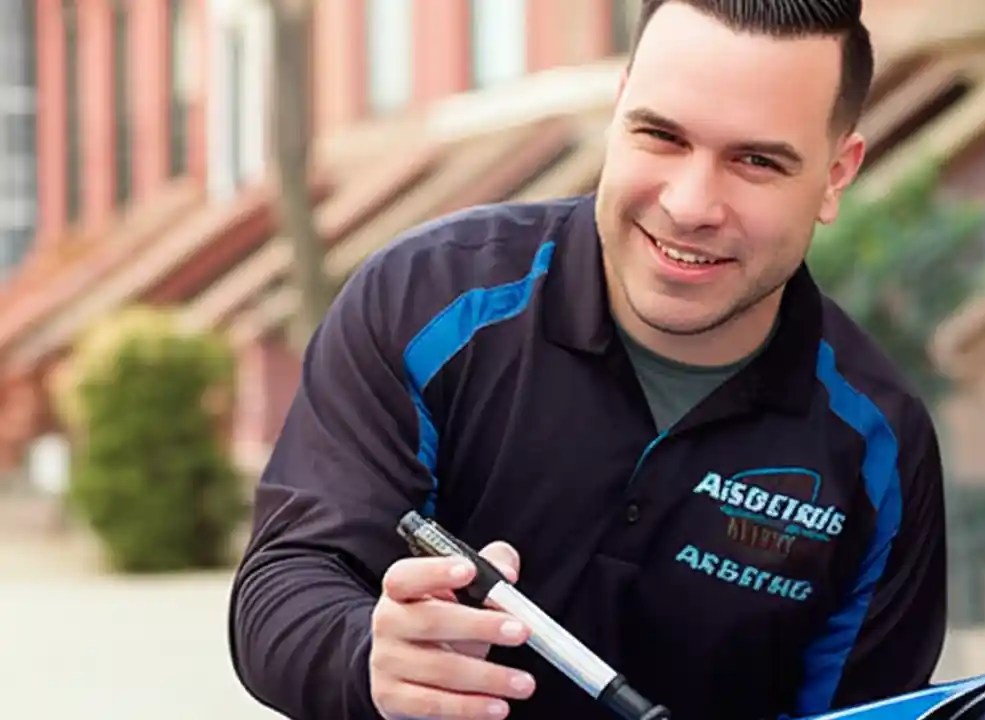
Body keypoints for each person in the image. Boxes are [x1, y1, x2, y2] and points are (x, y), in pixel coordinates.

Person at [228, 1, 948, 718]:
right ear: (618, 110)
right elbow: (284, 583)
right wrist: (371, 658)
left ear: (836, 174)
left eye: (756, 161)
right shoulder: (424, 300)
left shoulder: (879, 448)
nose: (691, 204)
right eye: (661, 136)